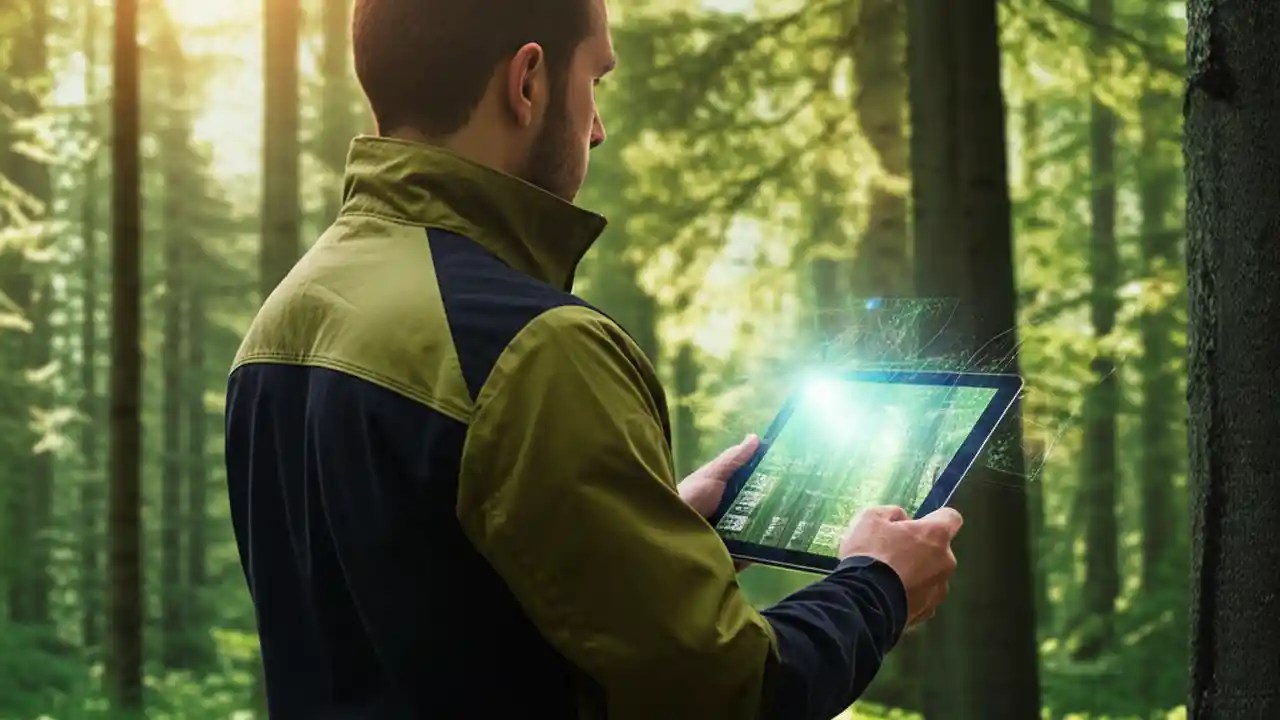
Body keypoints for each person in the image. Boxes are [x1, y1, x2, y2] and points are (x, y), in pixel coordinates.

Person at [223, 0, 964, 718]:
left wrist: (658, 537)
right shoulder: (535, 346)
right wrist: (878, 586)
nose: (598, 127)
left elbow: (426, 605)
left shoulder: (287, 315)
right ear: (528, 82)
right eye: (595, 81)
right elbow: (728, 692)